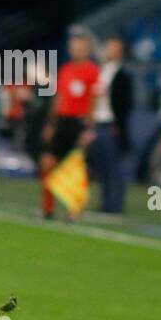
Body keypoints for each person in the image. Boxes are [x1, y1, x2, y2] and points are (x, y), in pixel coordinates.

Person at [40, 26, 100, 219]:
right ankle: (47, 208)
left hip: (78, 123)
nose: (74, 50)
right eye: (72, 47)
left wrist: (88, 128)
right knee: (47, 163)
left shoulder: (92, 72)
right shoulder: (65, 69)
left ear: (86, 50)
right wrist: (51, 123)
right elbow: (58, 97)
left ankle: (74, 210)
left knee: (76, 168)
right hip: (62, 122)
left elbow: (93, 100)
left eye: (78, 47)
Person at [87, 35, 133, 214]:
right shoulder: (99, 71)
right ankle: (105, 204)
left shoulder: (123, 76)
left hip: (111, 124)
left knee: (114, 168)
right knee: (102, 167)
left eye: (113, 48)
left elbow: (125, 104)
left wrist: (118, 124)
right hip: (97, 123)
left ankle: (115, 205)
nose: (109, 51)